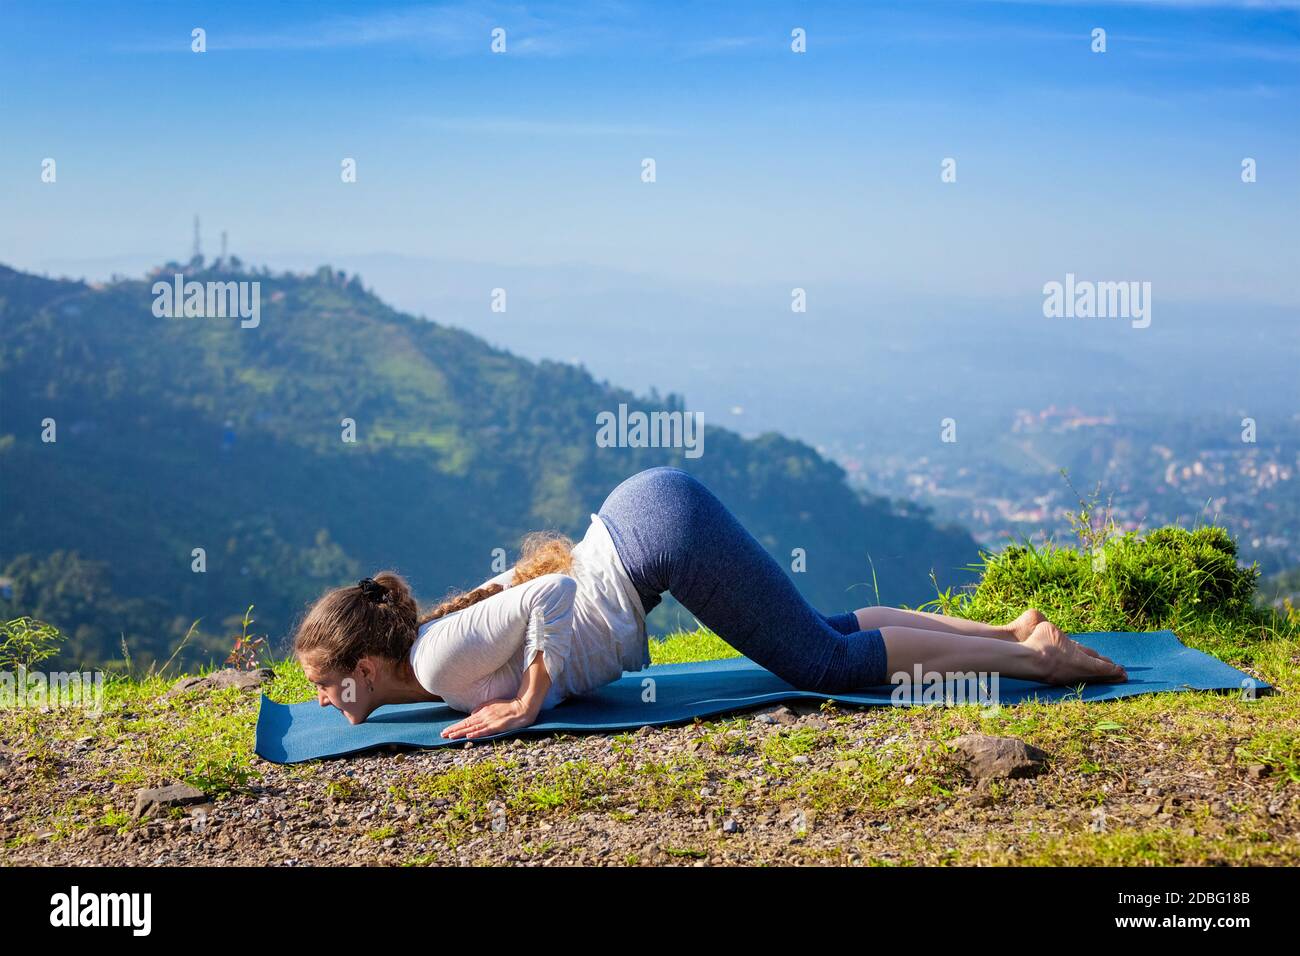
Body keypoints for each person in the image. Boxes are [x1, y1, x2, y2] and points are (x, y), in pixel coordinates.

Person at [292, 466, 1125, 738]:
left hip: (656, 535)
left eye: (327, 683)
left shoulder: (434, 660)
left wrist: (527, 700)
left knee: (824, 665)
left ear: (368, 663)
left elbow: (549, 592)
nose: (323, 699)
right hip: (649, 523)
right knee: (822, 635)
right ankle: (1008, 630)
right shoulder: (432, 663)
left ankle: (1031, 661)